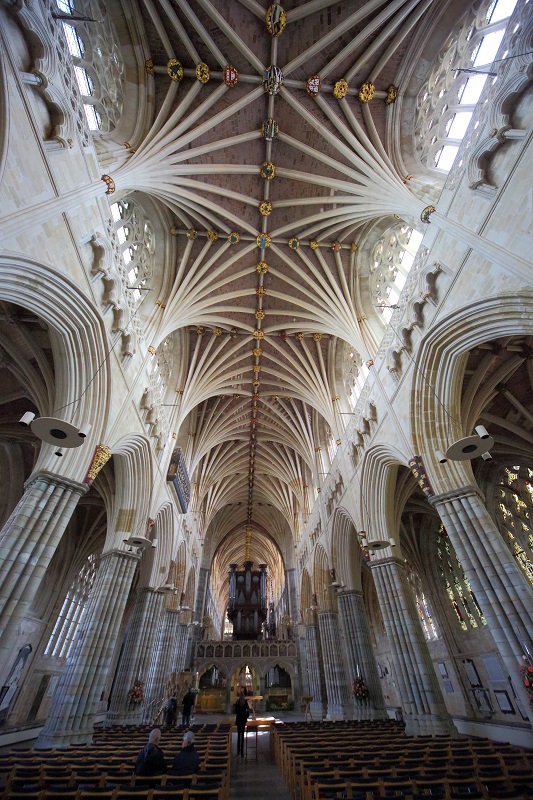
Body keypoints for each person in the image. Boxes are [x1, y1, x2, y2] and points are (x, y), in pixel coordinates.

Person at [234, 692, 250, 757]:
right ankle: (242, 753)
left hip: (238, 720)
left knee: (238, 736)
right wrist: (245, 715)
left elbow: (235, 712)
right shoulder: (245, 703)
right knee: (242, 736)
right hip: (243, 720)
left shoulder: (237, 702)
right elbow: (247, 712)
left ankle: (238, 752)